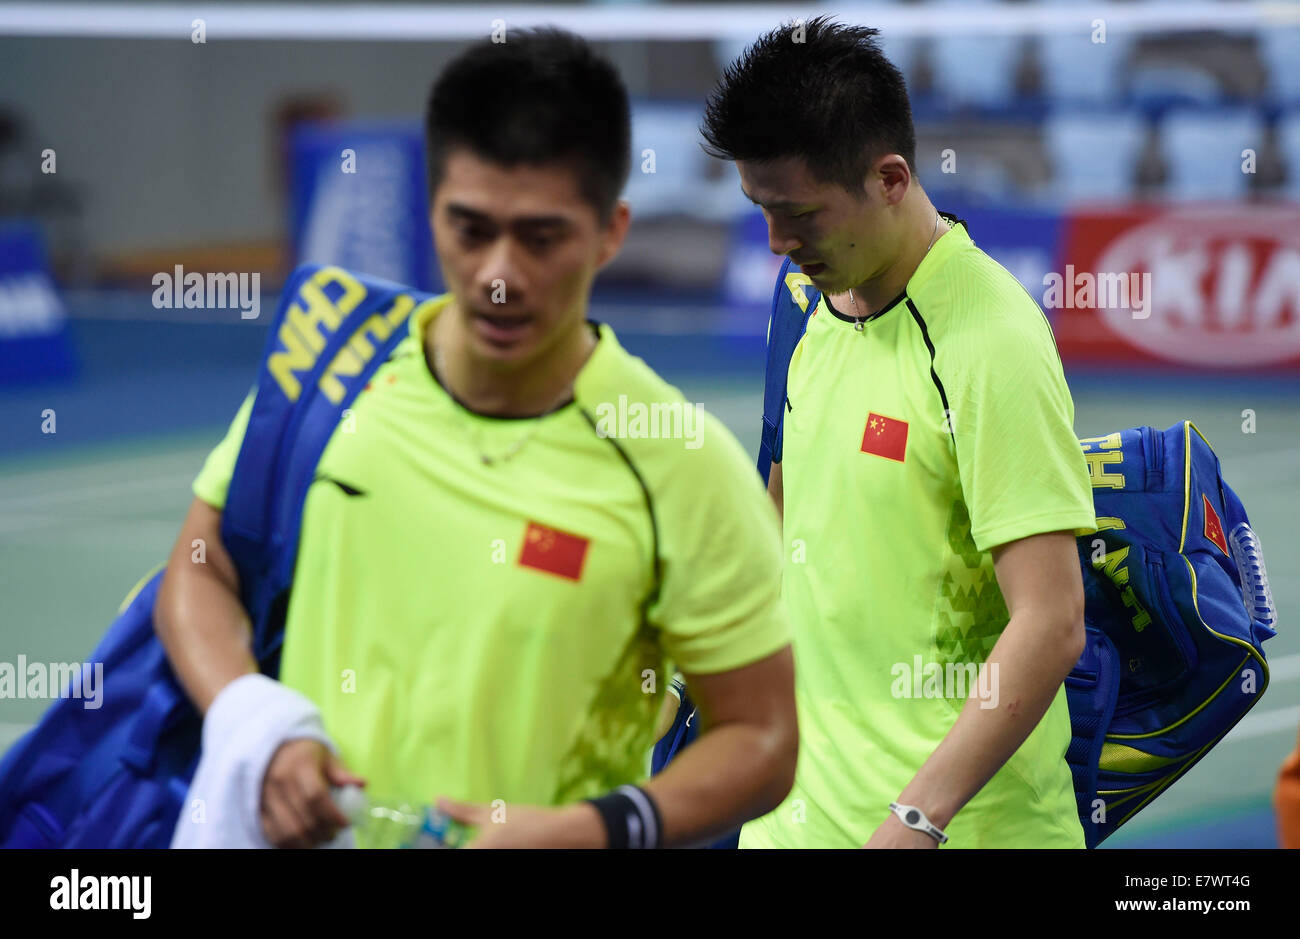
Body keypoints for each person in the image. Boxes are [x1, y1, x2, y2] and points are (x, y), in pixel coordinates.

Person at [154, 27, 796, 849]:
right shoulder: (333, 371)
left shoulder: (677, 458)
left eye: (541, 237)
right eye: (471, 228)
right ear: (431, 213)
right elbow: (200, 567)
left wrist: (594, 828)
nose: (499, 274)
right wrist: (259, 724)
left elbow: (765, 736)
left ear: (610, 231)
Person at [700, 16, 1097, 848]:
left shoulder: (990, 343)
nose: (776, 242)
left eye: (798, 214)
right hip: (793, 820)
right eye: (759, 211)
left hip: (957, 829)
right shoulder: (802, 296)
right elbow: (779, 514)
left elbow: (1052, 622)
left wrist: (916, 818)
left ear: (889, 177)